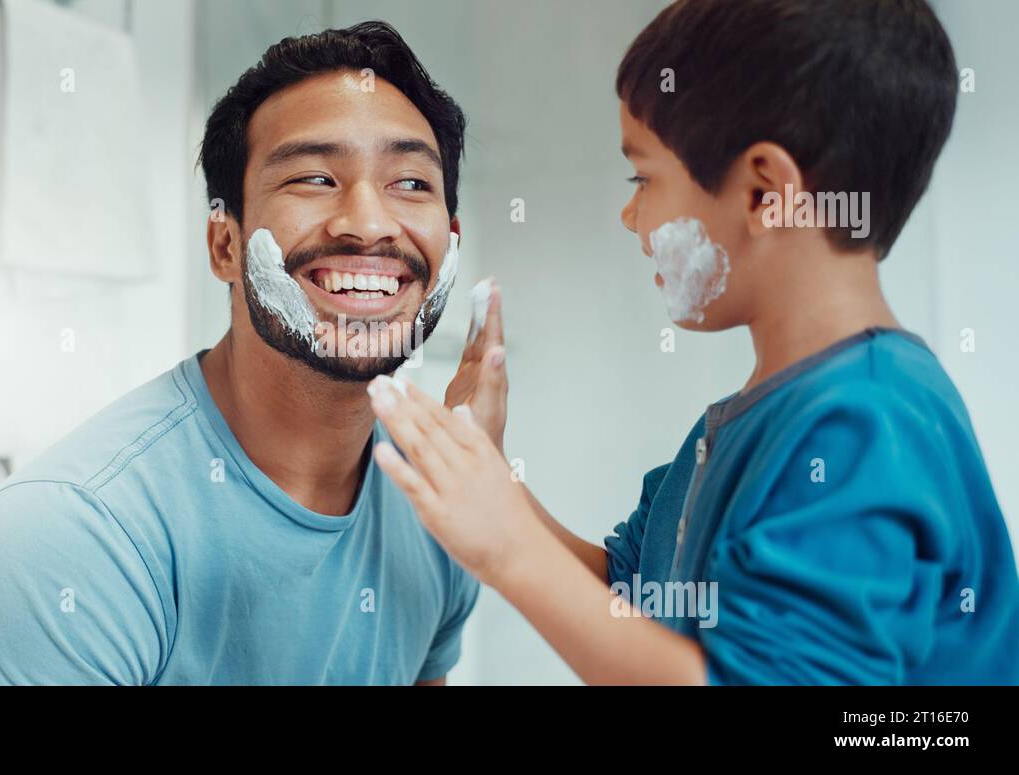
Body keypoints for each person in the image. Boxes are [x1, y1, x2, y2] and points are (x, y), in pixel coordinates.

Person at [369, 0, 1019, 685]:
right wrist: (490, 479)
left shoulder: (866, 425)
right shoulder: (740, 426)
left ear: (767, 193)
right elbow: (632, 601)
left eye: (643, 178)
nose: (629, 215)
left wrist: (509, 548)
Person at [0, 21, 481, 685]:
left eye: (411, 183)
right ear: (225, 245)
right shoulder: (71, 532)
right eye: (314, 177)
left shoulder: (443, 503)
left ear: (449, 241)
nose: (367, 222)